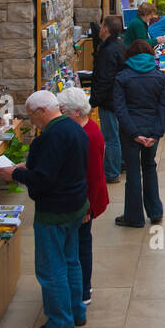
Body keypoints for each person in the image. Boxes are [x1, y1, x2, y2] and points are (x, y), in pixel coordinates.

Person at [0, 90, 89, 328]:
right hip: (75, 205)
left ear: (41, 111)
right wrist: (29, 167)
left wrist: (14, 174)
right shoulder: (75, 129)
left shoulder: (51, 136)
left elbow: (44, 180)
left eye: (31, 115)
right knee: (71, 261)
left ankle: (60, 321)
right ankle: (75, 311)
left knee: (51, 268)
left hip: (54, 211)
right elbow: (61, 166)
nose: (30, 121)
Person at [57, 86, 110, 304]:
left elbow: (94, 175)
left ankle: (83, 290)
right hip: (82, 201)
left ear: (76, 112)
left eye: (63, 111)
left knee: (81, 245)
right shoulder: (84, 129)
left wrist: (87, 209)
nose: (60, 115)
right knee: (80, 244)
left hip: (85, 203)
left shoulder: (89, 135)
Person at [112, 39, 165, 228]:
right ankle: (155, 211)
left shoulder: (122, 77)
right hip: (152, 130)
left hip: (131, 133)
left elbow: (120, 110)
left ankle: (134, 216)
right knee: (149, 167)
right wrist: (155, 133)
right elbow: (164, 107)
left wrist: (134, 133)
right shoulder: (160, 77)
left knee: (133, 172)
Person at [89, 14, 127, 184]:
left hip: (109, 101)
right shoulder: (120, 46)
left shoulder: (108, 51)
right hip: (119, 99)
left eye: (102, 24)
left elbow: (104, 79)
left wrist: (93, 101)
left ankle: (111, 172)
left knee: (111, 137)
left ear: (106, 29)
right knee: (117, 135)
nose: (100, 27)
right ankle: (121, 163)